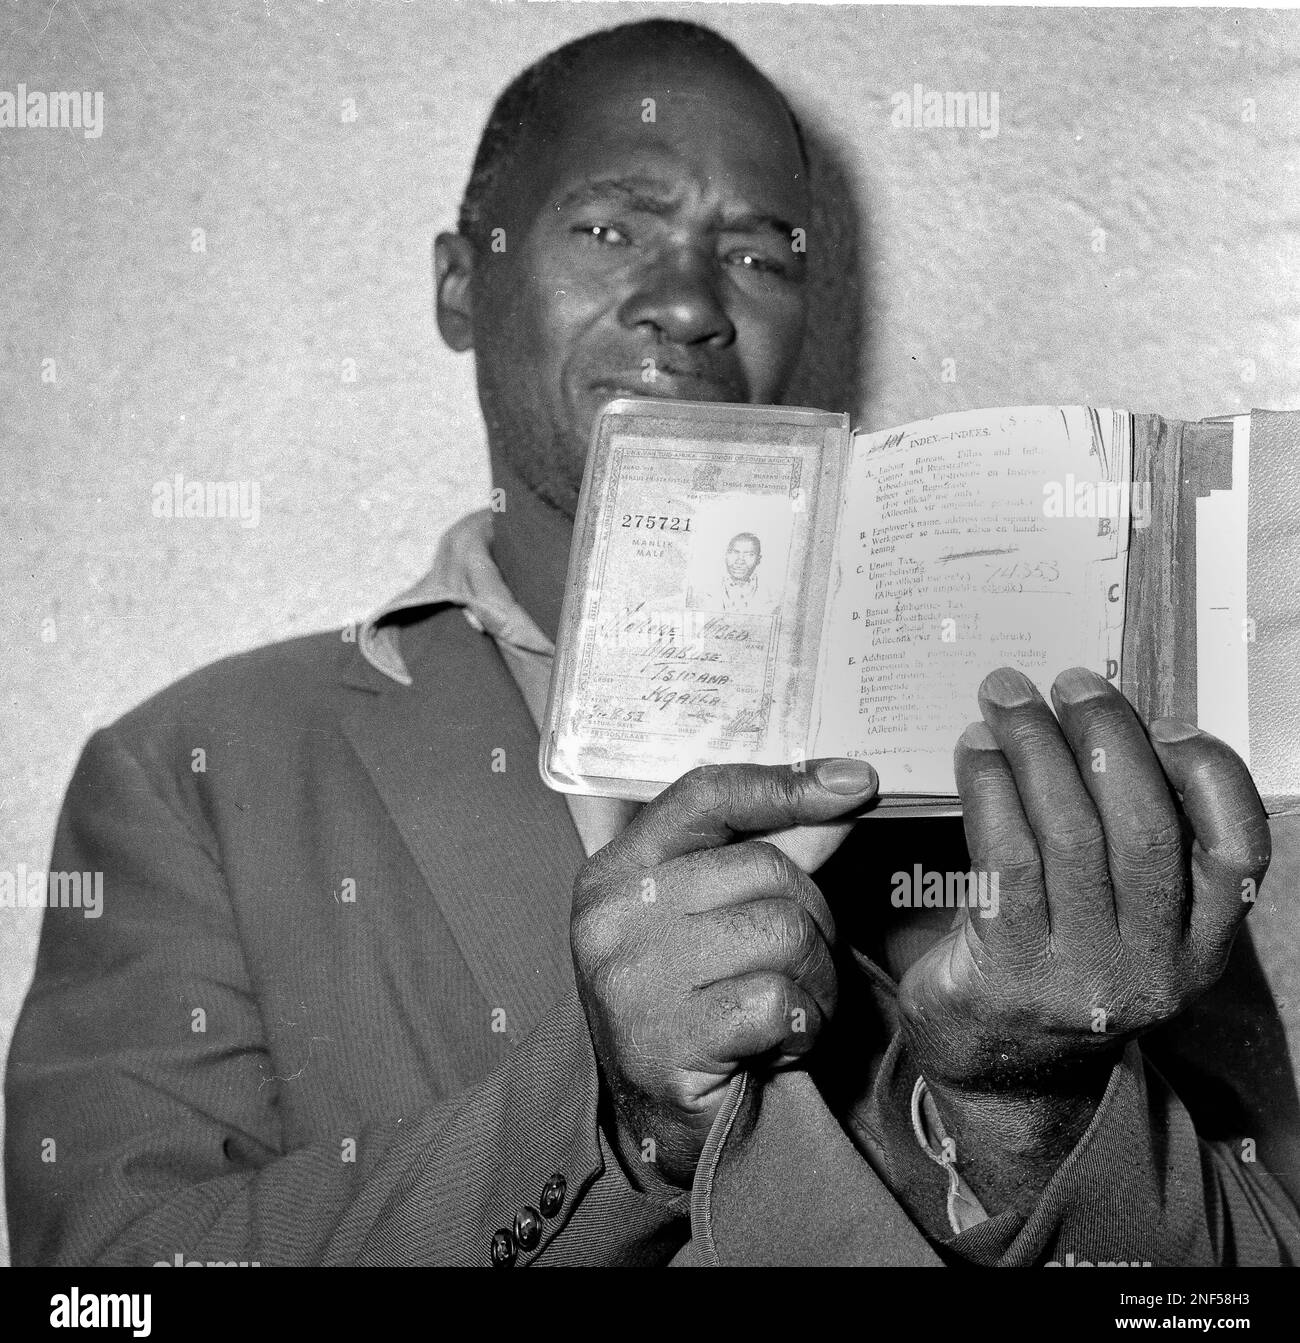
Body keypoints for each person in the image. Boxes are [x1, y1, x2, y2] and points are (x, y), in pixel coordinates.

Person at [6, 19, 1298, 1268]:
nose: (687, 305)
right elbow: (105, 1287)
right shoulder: (195, 770)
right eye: (612, 225)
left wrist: (1041, 1107)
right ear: (462, 282)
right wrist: (608, 1130)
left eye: (758, 254)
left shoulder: (1040, 748)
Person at [687, 532, 771, 612]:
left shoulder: (772, 597)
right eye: (734, 552)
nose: (740, 560)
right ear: (726, 555)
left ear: (758, 559)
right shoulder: (702, 592)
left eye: (749, 554)